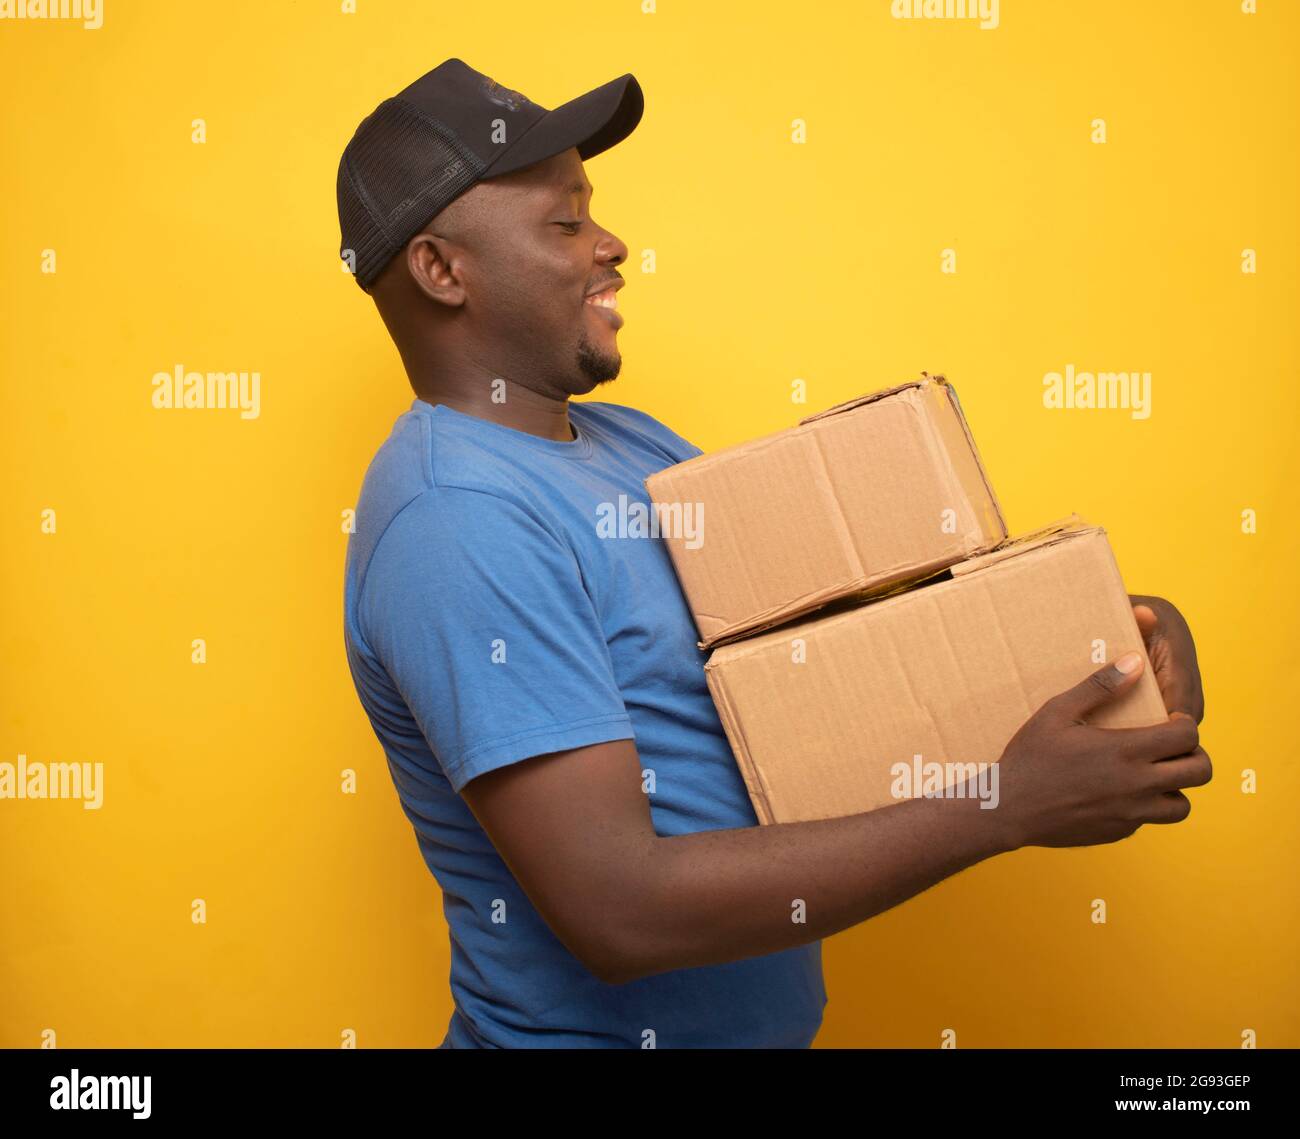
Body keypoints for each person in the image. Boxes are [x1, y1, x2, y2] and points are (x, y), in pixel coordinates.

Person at [337, 59, 1209, 1049]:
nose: (611, 244)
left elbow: (845, 653)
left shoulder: (633, 445)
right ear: (442, 269)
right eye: (564, 221)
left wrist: (1116, 642)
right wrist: (997, 804)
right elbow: (620, 909)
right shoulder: (459, 520)